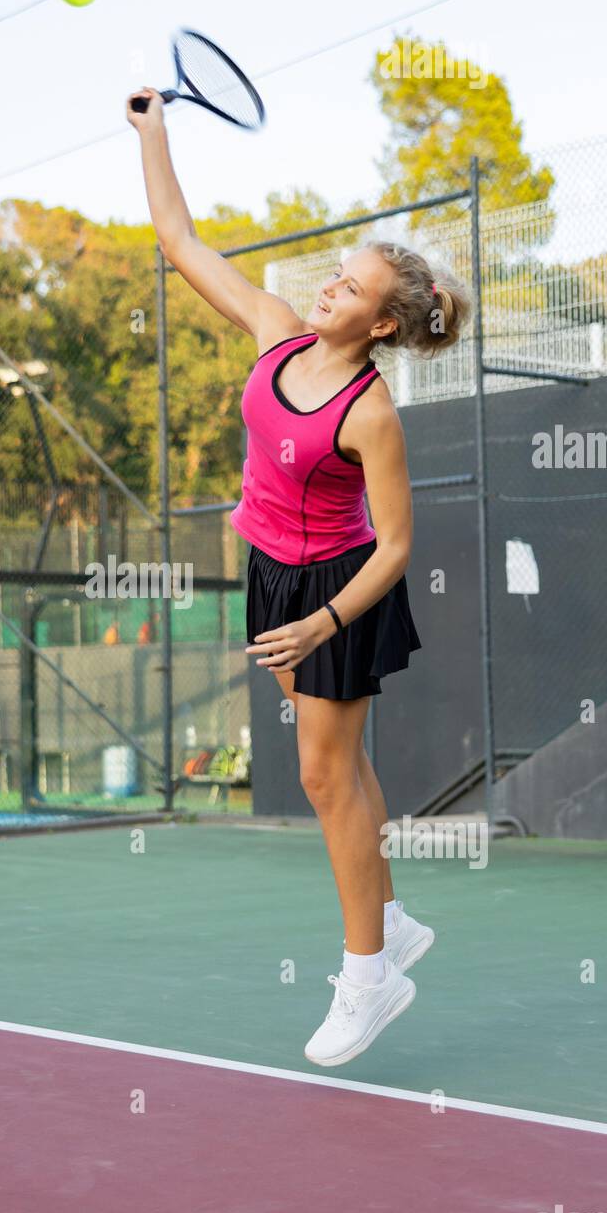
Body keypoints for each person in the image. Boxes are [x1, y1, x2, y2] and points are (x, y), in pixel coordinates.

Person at [128, 85, 470, 1066]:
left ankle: (370, 976)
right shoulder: (275, 330)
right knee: (345, 766)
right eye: (337, 273)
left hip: (338, 591)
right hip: (271, 571)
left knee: (323, 775)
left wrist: (323, 624)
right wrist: (154, 134)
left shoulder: (371, 414)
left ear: (384, 324)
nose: (330, 287)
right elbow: (180, 239)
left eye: (352, 287)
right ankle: (392, 921)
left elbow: (398, 546)